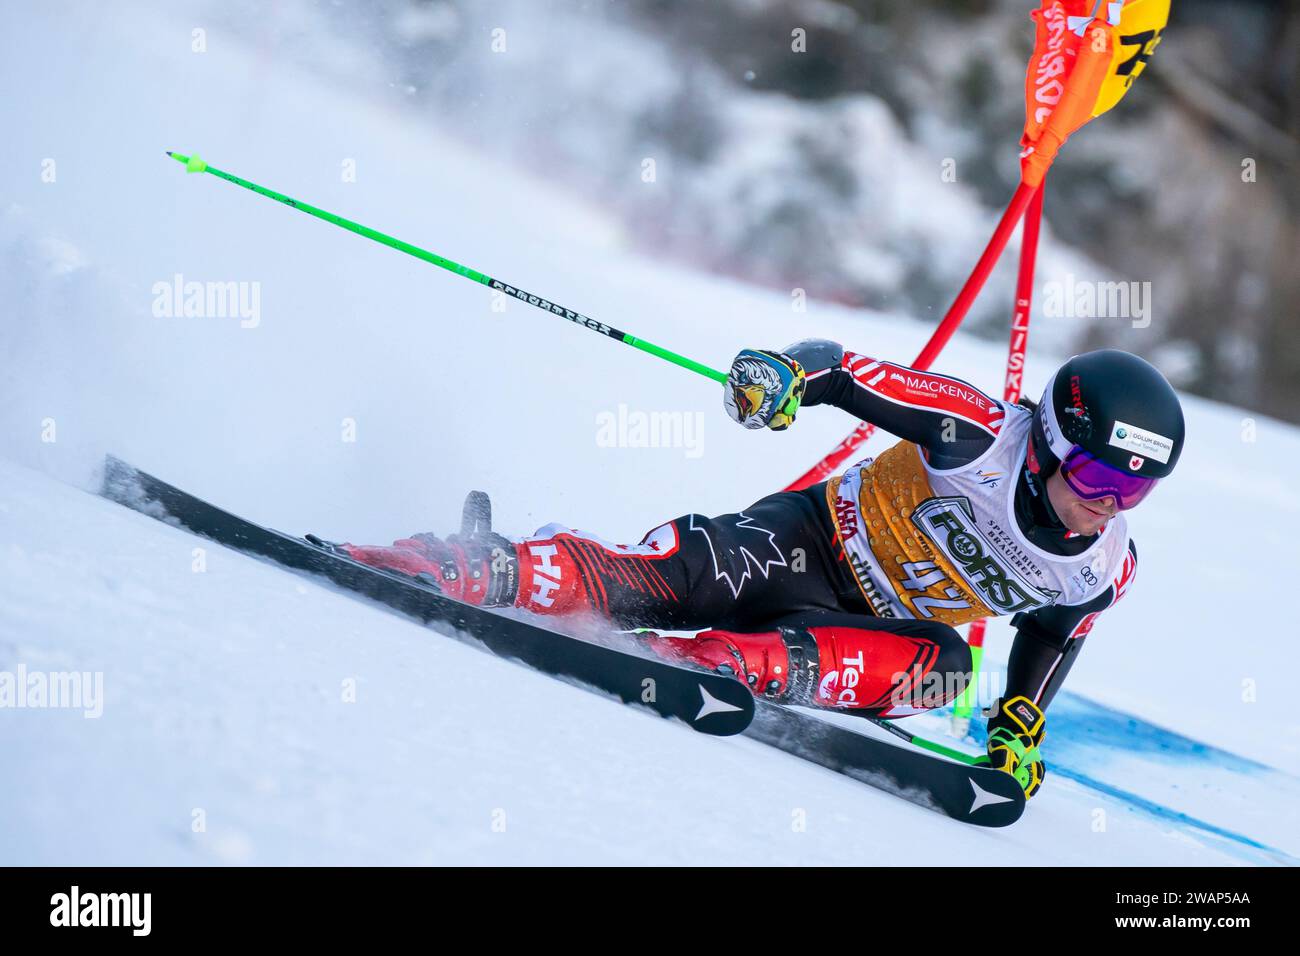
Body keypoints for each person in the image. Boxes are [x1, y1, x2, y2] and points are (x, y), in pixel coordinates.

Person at [340, 342, 1184, 799]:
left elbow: (1052, 635)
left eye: (1136, 490)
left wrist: (1020, 726)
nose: (1110, 503)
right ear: (1046, 444)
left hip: (868, 633)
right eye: (1100, 477)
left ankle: (721, 665)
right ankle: (467, 566)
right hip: (804, 545)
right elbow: (846, 372)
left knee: (947, 676)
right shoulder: (977, 429)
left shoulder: (1102, 566)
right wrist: (784, 376)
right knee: (671, 578)